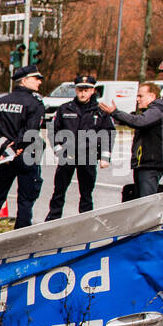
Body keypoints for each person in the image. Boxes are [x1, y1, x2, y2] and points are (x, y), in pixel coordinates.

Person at [0, 64, 47, 239]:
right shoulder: (35, 104)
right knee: (25, 201)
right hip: (26, 157)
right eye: (36, 79)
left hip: (5, 159)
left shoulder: (0, 102)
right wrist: (15, 148)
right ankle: (20, 239)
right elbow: (31, 132)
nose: (39, 82)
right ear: (25, 80)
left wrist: (5, 147)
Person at [45, 75, 114, 220]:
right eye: (80, 90)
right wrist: (59, 151)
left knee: (86, 193)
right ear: (75, 90)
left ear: (93, 90)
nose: (83, 93)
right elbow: (53, 131)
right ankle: (53, 219)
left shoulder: (100, 111)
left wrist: (105, 157)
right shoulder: (65, 109)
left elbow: (107, 134)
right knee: (59, 191)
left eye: (86, 90)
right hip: (67, 155)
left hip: (88, 156)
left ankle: (86, 221)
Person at [101, 81, 163, 198]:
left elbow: (138, 122)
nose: (137, 99)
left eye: (140, 96)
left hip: (150, 165)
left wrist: (115, 113)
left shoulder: (157, 111)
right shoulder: (152, 111)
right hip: (144, 164)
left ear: (152, 96)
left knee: (146, 201)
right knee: (139, 200)